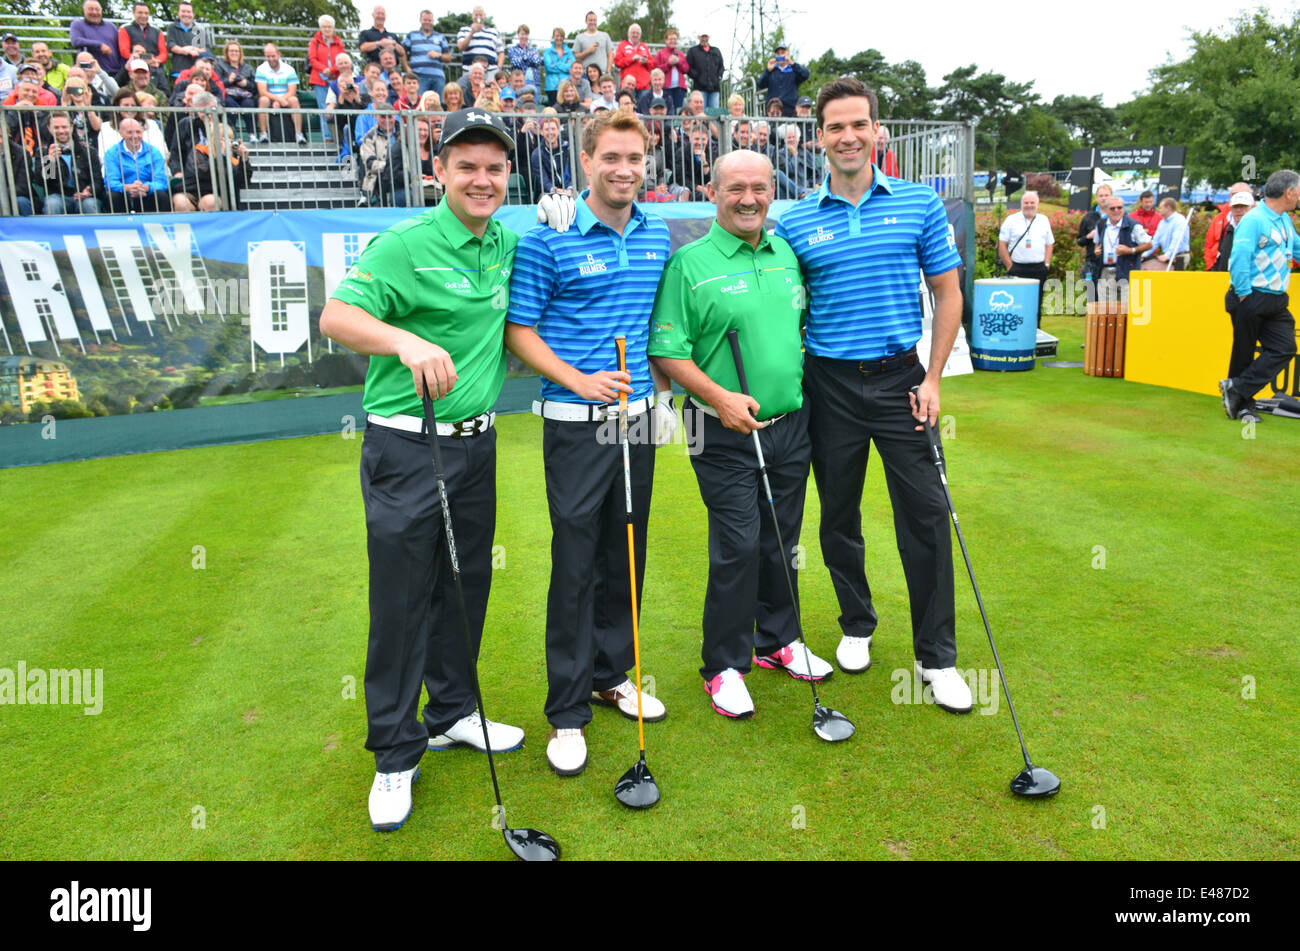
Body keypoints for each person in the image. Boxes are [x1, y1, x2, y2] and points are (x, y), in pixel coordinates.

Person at [319, 108, 526, 831]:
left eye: (494, 167)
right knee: (404, 597)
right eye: (466, 165)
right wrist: (404, 340)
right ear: (439, 170)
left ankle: (453, 710)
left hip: (477, 444)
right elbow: (337, 317)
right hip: (408, 447)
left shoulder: (503, 242)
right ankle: (394, 754)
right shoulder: (404, 243)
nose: (481, 178)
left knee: (465, 586)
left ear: (508, 175)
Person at [773, 77, 973, 712]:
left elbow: (947, 293)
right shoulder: (795, 218)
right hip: (827, 384)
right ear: (821, 136)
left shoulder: (917, 204)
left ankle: (935, 655)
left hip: (902, 381)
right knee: (838, 515)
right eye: (835, 126)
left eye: (858, 124)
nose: (848, 136)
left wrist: (934, 377)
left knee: (925, 515)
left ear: (876, 131)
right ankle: (857, 624)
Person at [504, 111, 673, 777]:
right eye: (611, 157)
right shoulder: (550, 238)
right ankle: (567, 710)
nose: (624, 168)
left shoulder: (656, 234)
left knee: (625, 554)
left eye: (634, 157)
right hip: (575, 424)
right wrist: (579, 378)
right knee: (575, 563)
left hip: (637, 421)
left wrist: (657, 398)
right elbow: (520, 329)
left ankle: (611, 673)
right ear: (585, 160)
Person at [648, 149, 832, 716]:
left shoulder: (785, 253)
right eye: (736, 189)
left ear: (772, 190)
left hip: (788, 422)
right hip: (716, 424)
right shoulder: (690, 263)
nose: (749, 198)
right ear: (713, 191)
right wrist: (720, 397)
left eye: (759, 187)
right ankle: (724, 664)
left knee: (782, 537)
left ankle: (779, 640)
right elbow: (666, 348)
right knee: (737, 544)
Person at [1220, 169, 1300, 423]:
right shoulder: (1254, 219)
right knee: (1243, 353)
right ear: (1289, 192)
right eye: (1298, 190)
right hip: (1251, 295)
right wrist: (1244, 294)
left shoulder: (1283, 218)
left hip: (1275, 299)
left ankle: (1237, 389)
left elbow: (1296, 246)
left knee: (1285, 347)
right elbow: (1239, 258)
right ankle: (1243, 407)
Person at [997, 190, 1054, 326]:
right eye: (1026, 202)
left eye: (1032, 202)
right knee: (1016, 302)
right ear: (1021, 204)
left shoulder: (1043, 220)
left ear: (1037, 204)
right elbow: (1001, 244)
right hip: (1017, 268)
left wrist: (1046, 264)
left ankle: (1036, 329)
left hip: (1038, 268)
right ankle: (1017, 329)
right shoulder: (1011, 220)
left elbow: (1049, 244)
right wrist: (1009, 265)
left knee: (1037, 302)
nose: (1029, 205)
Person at [39, 110, 104, 214]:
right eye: (56, 127)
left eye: (64, 127)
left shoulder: (88, 151)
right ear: (49, 128)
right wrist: (50, 162)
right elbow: (42, 182)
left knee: (90, 205)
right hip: (58, 197)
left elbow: (98, 180)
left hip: (84, 197)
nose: (61, 131)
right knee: (52, 204)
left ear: (72, 127)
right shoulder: (43, 152)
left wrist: (90, 191)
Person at [104, 116, 169, 212]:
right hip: (124, 195)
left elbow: (161, 182)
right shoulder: (112, 153)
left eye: (138, 132)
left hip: (147, 193)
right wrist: (127, 188)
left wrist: (146, 187)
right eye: (130, 132)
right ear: (121, 133)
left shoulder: (154, 152)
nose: (135, 136)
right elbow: (110, 182)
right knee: (112, 195)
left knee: (161, 195)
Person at [1085, 196, 1151, 291]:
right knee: (1105, 305)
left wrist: (1130, 250)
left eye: (1119, 207)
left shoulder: (1133, 225)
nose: (1116, 210)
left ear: (1123, 208)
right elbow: (1097, 244)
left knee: (1125, 305)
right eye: (1112, 208)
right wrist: (1096, 251)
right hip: (1105, 272)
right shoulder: (1101, 224)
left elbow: (1149, 244)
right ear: (1107, 210)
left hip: (1126, 273)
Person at [254, 43, 305, 144]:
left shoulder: (289, 69)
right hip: (270, 98)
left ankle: (299, 134)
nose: (271, 59)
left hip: (286, 98)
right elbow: (262, 91)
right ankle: (263, 133)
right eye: (268, 56)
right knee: (263, 100)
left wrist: (281, 100)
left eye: (273, 56)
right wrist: (277, 100)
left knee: (294, 100)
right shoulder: (261, 69)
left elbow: (292, 91)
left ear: (279, 54)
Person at [357, 102, 407, 206]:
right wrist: (390, 166)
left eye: (390, 116)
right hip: (378, 179)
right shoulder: (369, 137)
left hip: (401, 176)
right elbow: (369, 162)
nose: (387, 120)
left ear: (395, 116)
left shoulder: (405, 132)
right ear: (376, 117)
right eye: (383, 117)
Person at [308, 14, 346, 136]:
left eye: (329, 26)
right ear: (320, 28)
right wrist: (324, 69)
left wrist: (332, 70)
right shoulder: (314, 42)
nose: (327, 29)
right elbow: (312, 59)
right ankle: (327, 136)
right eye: (324, 26)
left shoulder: (339, 42)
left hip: (335, 78)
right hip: (320, 79)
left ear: (333, 28)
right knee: (324, 107)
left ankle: (338, 135)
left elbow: (342, 59)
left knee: (337, 105)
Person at [1203, 182, 1253, 269]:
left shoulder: (1260, 222)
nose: (1239, 210)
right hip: (1220, 271)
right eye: (1234, 194)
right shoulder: (1221, 219)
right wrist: (1211, 267)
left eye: (1243, 206)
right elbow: (1209, 245)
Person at [404, 9, 451, 97]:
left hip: (438, 77)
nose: (427, 22)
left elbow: (448, 57)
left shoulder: (440, 37)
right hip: (418, 77)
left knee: (438, 106)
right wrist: (406, 68)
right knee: (420, 105)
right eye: (425, 20)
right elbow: (402, 52)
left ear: (433, 21)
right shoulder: (412, 35)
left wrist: (439, 55)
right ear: (420, 20)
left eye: (429, 20)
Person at [71, 0, 123, 75]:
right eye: (91, 9)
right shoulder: (77, 24)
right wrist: (99, 45)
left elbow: (119, 47)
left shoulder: (111, 26)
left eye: (97, 9)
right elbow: (76, 41)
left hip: (114, 71)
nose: (94, 12)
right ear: (84, 10)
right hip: (91, 71)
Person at [215, 41, 256, 135]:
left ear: (240, 53)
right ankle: (232, 134)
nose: (234, 53)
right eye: (231, 51)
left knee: (249, 103)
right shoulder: (220, 66)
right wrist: (228, 80)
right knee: (230, 104)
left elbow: (254, 87)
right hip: (228, 95)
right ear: (227, 53)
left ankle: (252, 134)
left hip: (245, 95)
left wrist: (246, 84)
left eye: (237, 51)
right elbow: (216, 84)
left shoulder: (248, 68)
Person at [756, 44, 809, 117]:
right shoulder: (771, 71)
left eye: (783, 53)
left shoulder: (794, 70)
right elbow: (760, 84)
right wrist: (767, 71)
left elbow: (805, 75)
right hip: (773, 111)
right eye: (778, 54)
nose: (780, 55)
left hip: (789, 110)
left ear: (787, 54)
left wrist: (792, 63)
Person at [166, 2, 212, 82]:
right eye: (183, 11)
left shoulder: (200, 30)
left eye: (189, 12)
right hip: (178, 72)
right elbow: (171, 45)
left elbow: (206, 49)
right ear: (178, 13)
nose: (186, 14)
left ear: (193, 14)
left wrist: (194, 50)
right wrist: (185, 51)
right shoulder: (172, 28)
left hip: (197, 73)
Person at [1075, 182, 1113, 278]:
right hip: (1091, 264)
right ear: (1096, 198)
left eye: (1106, 195)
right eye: (1101, 196)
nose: (1104, 198)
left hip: (1111, 264)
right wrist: (1088, 236)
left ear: (1112, 196)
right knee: (1091, 292)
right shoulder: (1088, 217)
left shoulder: (1117, 216)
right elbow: (1079, 242)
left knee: (1109, 292)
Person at [457, 5, 504, 80]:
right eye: (476, 14)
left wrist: (499, 68)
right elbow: (461, 47)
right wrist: (472, 32)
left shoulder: (494, 31)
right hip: (469, 70)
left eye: (481, 15)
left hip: (490, 71)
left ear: (484, 16)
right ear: (472, 16)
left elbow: (501, 52)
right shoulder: (464, 30)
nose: (478, 17)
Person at [117, 3, 168, 73]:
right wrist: (147, 58)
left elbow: (164, 53)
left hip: (155, 68)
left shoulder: (158, 31)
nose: (143, 15)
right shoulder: (125, 29)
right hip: (134, 68)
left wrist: (156, 61)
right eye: (140, 13)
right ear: (134, 13)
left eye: (146, 13)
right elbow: (124, 51)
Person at [1145, 198, 1191, 270]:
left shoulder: (1180, 220)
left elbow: (1177, 241)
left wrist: (1168, 255)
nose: (1158, 210)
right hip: (1168, 256)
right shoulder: (1162, 223)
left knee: (1174, 280)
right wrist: (1144, 254)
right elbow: (1155, 241)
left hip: (1179, 256)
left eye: (1160, 207)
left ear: (1168, 208)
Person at [531, 114, 572, 194]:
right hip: (548, 193)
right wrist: (556, 190)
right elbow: (543, 180)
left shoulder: (568, 148)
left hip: (570, 190)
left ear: (558, 131)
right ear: (541, 132)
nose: (550, 132)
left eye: (553, 129)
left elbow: (574, 172)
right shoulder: (537, 154)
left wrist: (570, 189)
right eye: (547, 129)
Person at [685, 31, 724, 110]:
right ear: (699, 37)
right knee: (699, 111)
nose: (704, 39)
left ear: (709, 37)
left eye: (706, 36)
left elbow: (721, 66)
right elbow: (688, 67)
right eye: (702, 37)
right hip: (699, 89)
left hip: (715, 89)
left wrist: (719, 77)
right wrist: (696, 76)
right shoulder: (693, 51)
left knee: (714, 113)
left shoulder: (716, 51)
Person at [653, 29, 689, 113]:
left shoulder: (680, 54)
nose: (673, 41)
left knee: (678, 110)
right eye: (670, 39)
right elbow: (657, 69)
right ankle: (667, 126)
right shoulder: (661, 53)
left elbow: (686, 69)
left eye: (675, 39)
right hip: (666, 87)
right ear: (666, 40)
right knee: (666, 110)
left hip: (679, 88)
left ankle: (676, 126)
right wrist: (669, 64)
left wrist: (678, 62)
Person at [613, 23, 652, 90]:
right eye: (633, 33)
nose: (635, 35)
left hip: (643, 86)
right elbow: (617, 63)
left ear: (640, 35)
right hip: (628, 86)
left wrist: (646, 62)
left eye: (637, 33)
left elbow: (652, 64)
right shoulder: (622, 45)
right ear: (628, 33)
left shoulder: (644, 47)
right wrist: (631, 59)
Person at [573, 10, 612, 75]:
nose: (593, 22)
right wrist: (587, 51)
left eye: (594, 20)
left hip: (603, 73)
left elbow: (610, 54)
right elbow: (575, 56)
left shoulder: (605, 35)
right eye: (590, 20)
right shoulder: (579, 37)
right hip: (586, 74)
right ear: (586, 21)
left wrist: (608, 71)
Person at [542, 28, 573, 106]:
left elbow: (572, 67)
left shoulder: (569, 51)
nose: (559, 38)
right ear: (553, 37)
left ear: (564, 38)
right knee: (554, 110)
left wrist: (556, 64)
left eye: (561, 36)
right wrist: (565, 65)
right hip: (552, 87)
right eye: (557, 36)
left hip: (565, 85)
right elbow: (549, 67)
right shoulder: (547, 51)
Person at [506, 24, 542, 90]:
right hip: (517, 82)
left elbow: (537, 62)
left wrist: (521, 58)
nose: (524, 36)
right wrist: (530, 57)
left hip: (534, 82)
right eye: (522, 34)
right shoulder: (512, 49)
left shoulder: (534, 50)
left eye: (526, 34)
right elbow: (515, 62)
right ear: (518, 35)